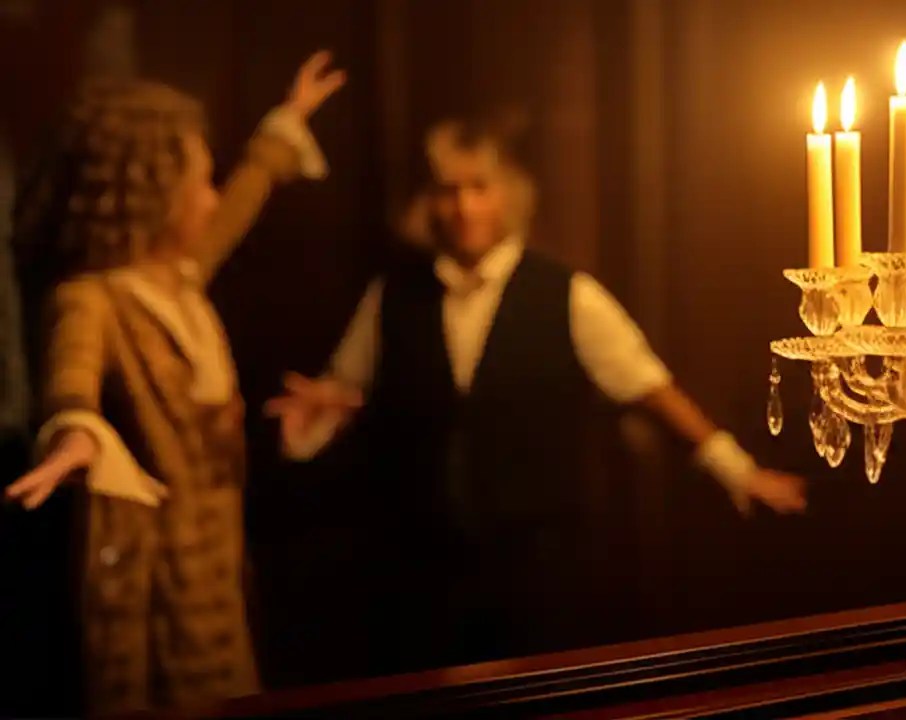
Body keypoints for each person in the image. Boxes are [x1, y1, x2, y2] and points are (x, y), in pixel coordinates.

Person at [266, 112, 807, 671]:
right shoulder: (392, 296)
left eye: (480, 188)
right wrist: (309, 424)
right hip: (420, 572)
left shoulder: (568, 294)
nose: (465, 207)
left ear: (510, 196)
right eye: (450, 191)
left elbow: (651, 389)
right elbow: (343, 389)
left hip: (539, 573)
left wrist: (740, 472)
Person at [4, 52, 344, 713]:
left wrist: (290, 120)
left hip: (218, 563)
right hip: (154, 583)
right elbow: (69, 378)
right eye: (200, 181)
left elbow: (245, 196)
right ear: (157, 196)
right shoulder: (94, 298)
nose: (213, 195)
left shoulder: (179, 275)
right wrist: (76, 431)